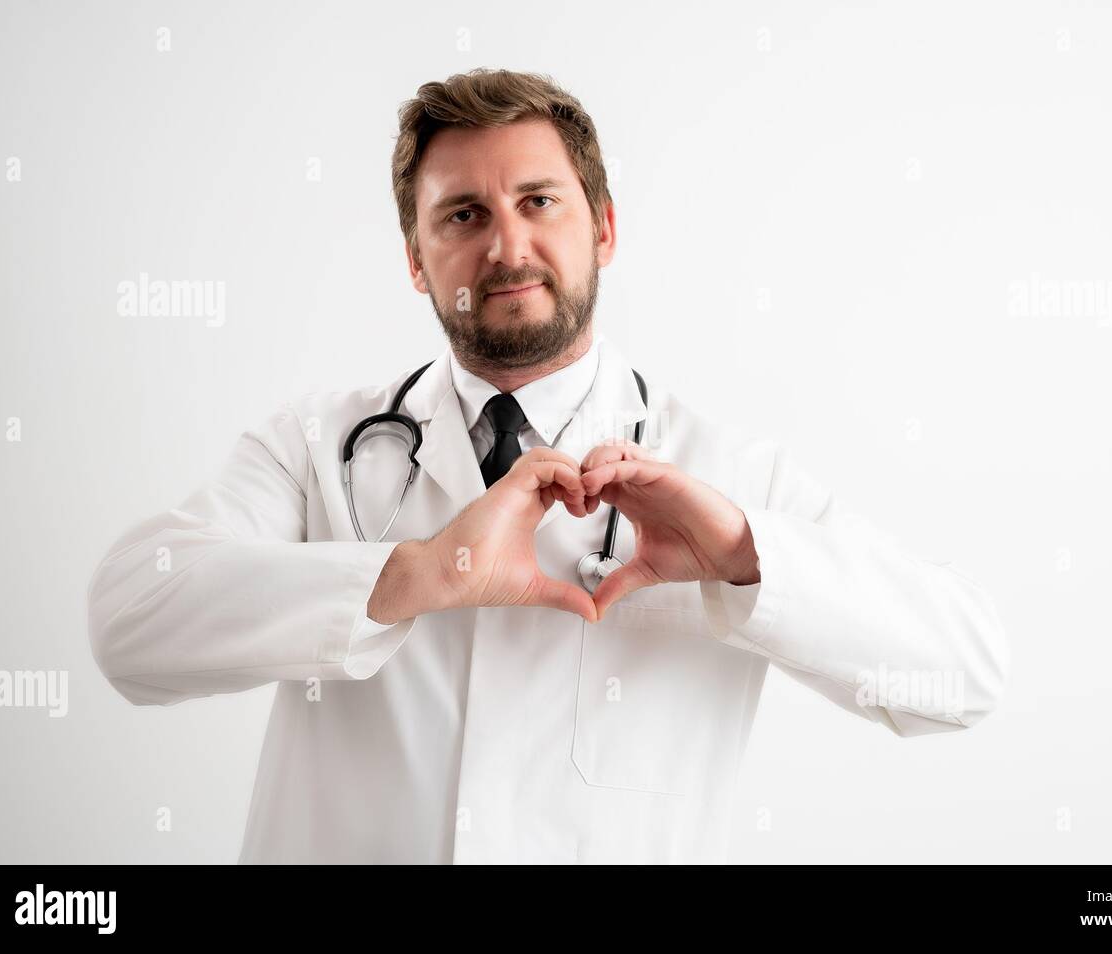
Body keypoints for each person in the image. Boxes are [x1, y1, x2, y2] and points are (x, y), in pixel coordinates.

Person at [87, 68, 1009, 864]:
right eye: (462, 215)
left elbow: (963, 675)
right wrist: (419, 573)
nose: (507, 247)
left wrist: (740, 553)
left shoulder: (727, 476)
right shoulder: (317, 448)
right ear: (417, 259)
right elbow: (131, 621)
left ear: (603, 229)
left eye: (539, 201)